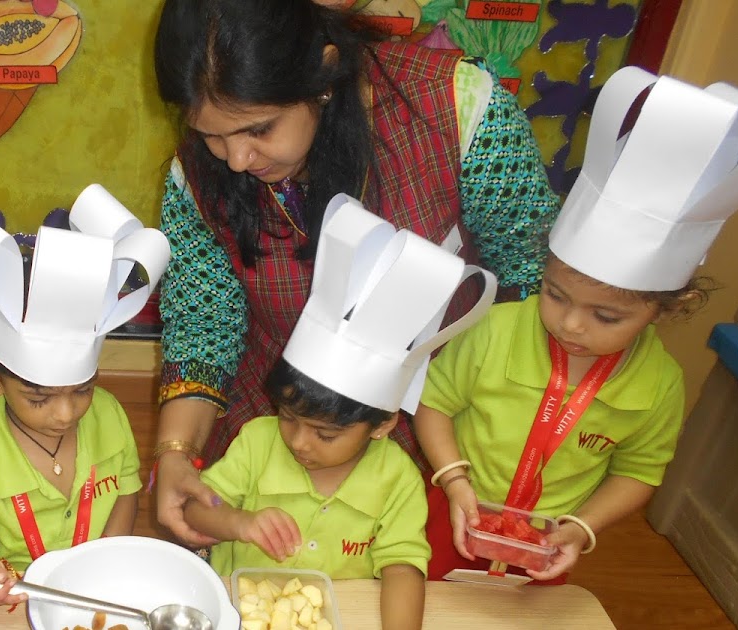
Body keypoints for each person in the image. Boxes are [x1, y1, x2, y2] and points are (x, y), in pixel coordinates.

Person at [150, 0, 561, 546]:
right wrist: (176, 453)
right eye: (211, 135)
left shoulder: (458, 111)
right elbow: (205, 323)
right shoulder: (196, 179)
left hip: (440, 438)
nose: (235, 160)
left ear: (322, 74)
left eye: (259, 130)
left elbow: (529, 280)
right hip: (279, 432)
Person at [415, 67, 738, 583]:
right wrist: (455, 482)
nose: (571, 324)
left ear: (665, 308)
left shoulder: (660, 385)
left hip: (546, 546)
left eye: (606, 316)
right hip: (450, 511)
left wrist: (581, 526)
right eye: (555, 294)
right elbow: (435, 404)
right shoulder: (496, 329)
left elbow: (639, 472)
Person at [184, 195, 495, 630]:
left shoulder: (397, 478)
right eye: (288, 416)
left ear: (383, 424)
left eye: (325, 434)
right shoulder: (258, 440)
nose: (297, 441)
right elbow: (194, 511)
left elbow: (403, 567)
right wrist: (239, 522)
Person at [0, 185, 170, 608]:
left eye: (83, 389)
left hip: (94, 588)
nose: (66, 414)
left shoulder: (109, 415)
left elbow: (124, 491)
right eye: (39, 398)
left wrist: (105, 557)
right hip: (19, 590)